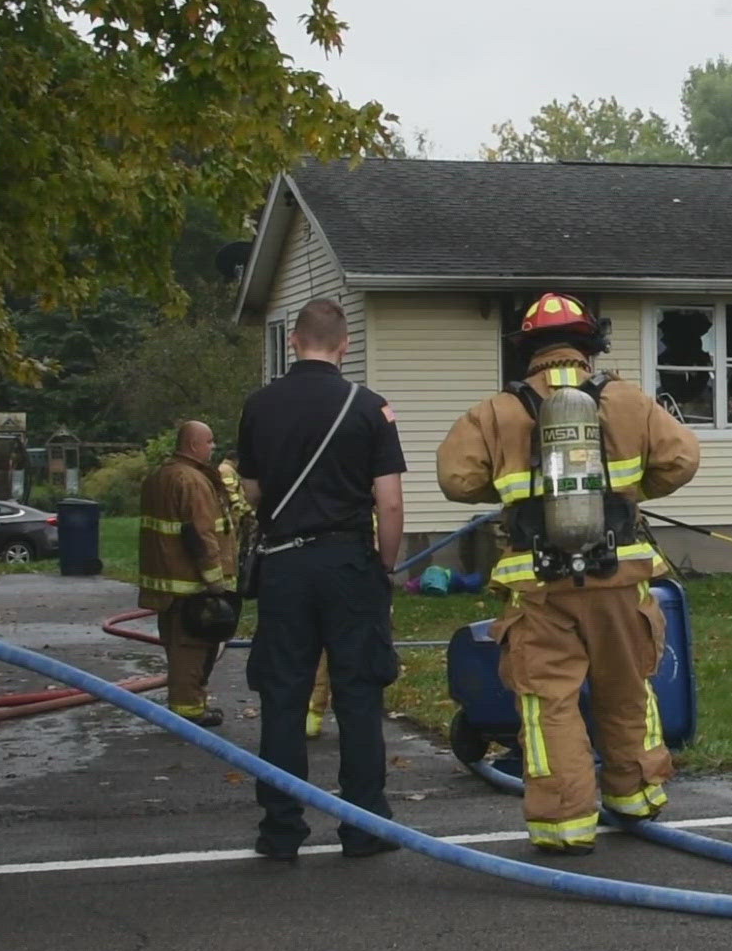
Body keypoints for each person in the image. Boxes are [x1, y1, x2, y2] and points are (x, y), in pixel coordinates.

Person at [437, 292, 700, 855]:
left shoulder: (497, 411)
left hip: (538, 584)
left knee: (550, 701)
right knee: (627, 689)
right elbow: (683, 459)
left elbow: (455, 479)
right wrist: (627, 493)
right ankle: (635, 799)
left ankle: (565, 825)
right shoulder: (627, 400)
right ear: (589, 346)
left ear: (527, 350)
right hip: (620, 575)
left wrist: (515, 493)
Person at [236, 298, 407, 861]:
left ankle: (280, 828)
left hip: (284, 564)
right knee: (358, 693)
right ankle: (363, 826)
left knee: (283, 694)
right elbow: (390, 502)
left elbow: (253, 491)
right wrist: (385, 566)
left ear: (293, 342)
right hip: (349, 562)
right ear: (345, 345)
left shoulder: (259, 406)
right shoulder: (369, 408)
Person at [137, 421, 238, 727]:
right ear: (193, 445)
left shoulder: (160, 475)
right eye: (208, 442)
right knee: (191, 649)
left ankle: (188, 702)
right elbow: (201, 534)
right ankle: (189, 710)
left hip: (166, 582)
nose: (213, 447)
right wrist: (215, 579)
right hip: (191, 585)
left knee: (175, 645)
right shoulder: (192, 481)